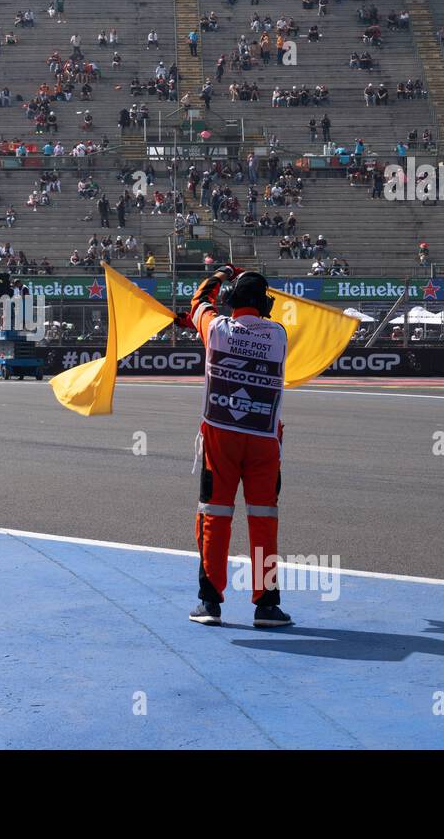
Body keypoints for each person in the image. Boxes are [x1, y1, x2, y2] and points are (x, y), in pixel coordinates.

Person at [174, 266, 292, 629]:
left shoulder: (217, 328)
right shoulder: (278, 334)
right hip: (263, 438)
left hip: (221, 436)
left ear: (230, 300)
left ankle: (210, 602)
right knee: (264, 521)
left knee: (214, 517)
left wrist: (222, 273)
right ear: (264, 304)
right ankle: (267, 605)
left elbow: (198, 302)